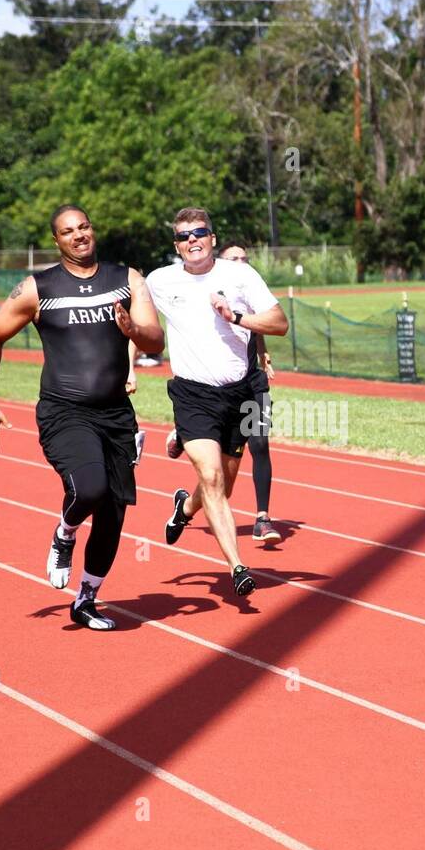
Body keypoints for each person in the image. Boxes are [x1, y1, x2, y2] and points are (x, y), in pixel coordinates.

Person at [0, 205, 165, 629]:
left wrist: (133, 331)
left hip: (117, 414)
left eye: (84, 227)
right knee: (91, 487)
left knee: (114, 513)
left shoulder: (126, 279)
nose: (79, 235)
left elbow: (156, 341)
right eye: (68, 231)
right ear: (57, 240)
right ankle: (64, 533)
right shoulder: (37, 288)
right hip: (65, 412)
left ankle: (86, 599)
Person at [144, 208, 289, 596]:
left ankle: (184, 509)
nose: (192, 240)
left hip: (239, 394)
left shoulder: (238, 275)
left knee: (220, 487)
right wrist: (127, 362)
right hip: (192, 396)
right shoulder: (160, 280)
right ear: (176, 244)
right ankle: (238, 567)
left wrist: (236, 315)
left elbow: (279, 323)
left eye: (199, 233)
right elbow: (135, 316)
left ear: (212, 238)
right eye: (183, 236)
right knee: (210, 477)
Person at [165, 240, 280, 544]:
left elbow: (263, 324)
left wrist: (263, 352)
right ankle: (186, 430)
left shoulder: (248, 283)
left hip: (253, 382)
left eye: (244, 257)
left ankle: (263, 517)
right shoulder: (211, 286)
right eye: (234, 258)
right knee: (220, 483)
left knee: (260, 443)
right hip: (216, 390)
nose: (240, 261)